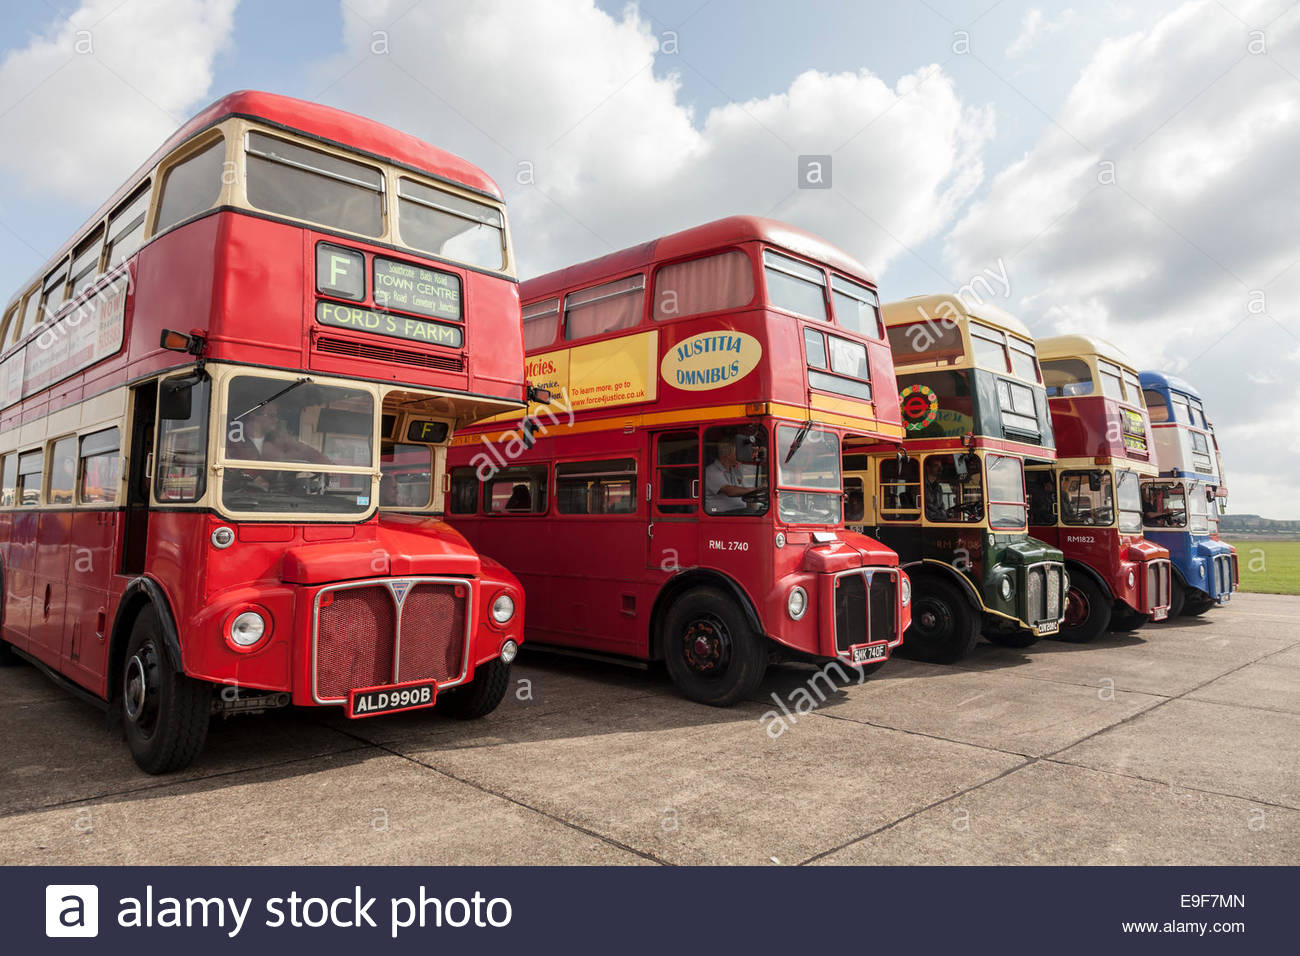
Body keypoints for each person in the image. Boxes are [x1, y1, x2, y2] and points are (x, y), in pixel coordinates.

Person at [705, 438, 764, 514]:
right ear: (728, 453)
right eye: (738, 452)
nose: (741, 455)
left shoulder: (735, 471)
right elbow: (730, 491)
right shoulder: (711, 471)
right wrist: (757, 489)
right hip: (718, 514)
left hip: (738, 512)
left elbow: (743, 492)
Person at [923, 456, 950, 522]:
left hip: (937, 519)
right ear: (928, 468)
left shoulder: (938, 487)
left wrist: (944, 513)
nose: (940, 469)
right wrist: (942, 514)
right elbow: (927, 508)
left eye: (940, 466)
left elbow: (941, 505)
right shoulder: (921, 486)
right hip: (930, 520)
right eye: (936, 466)